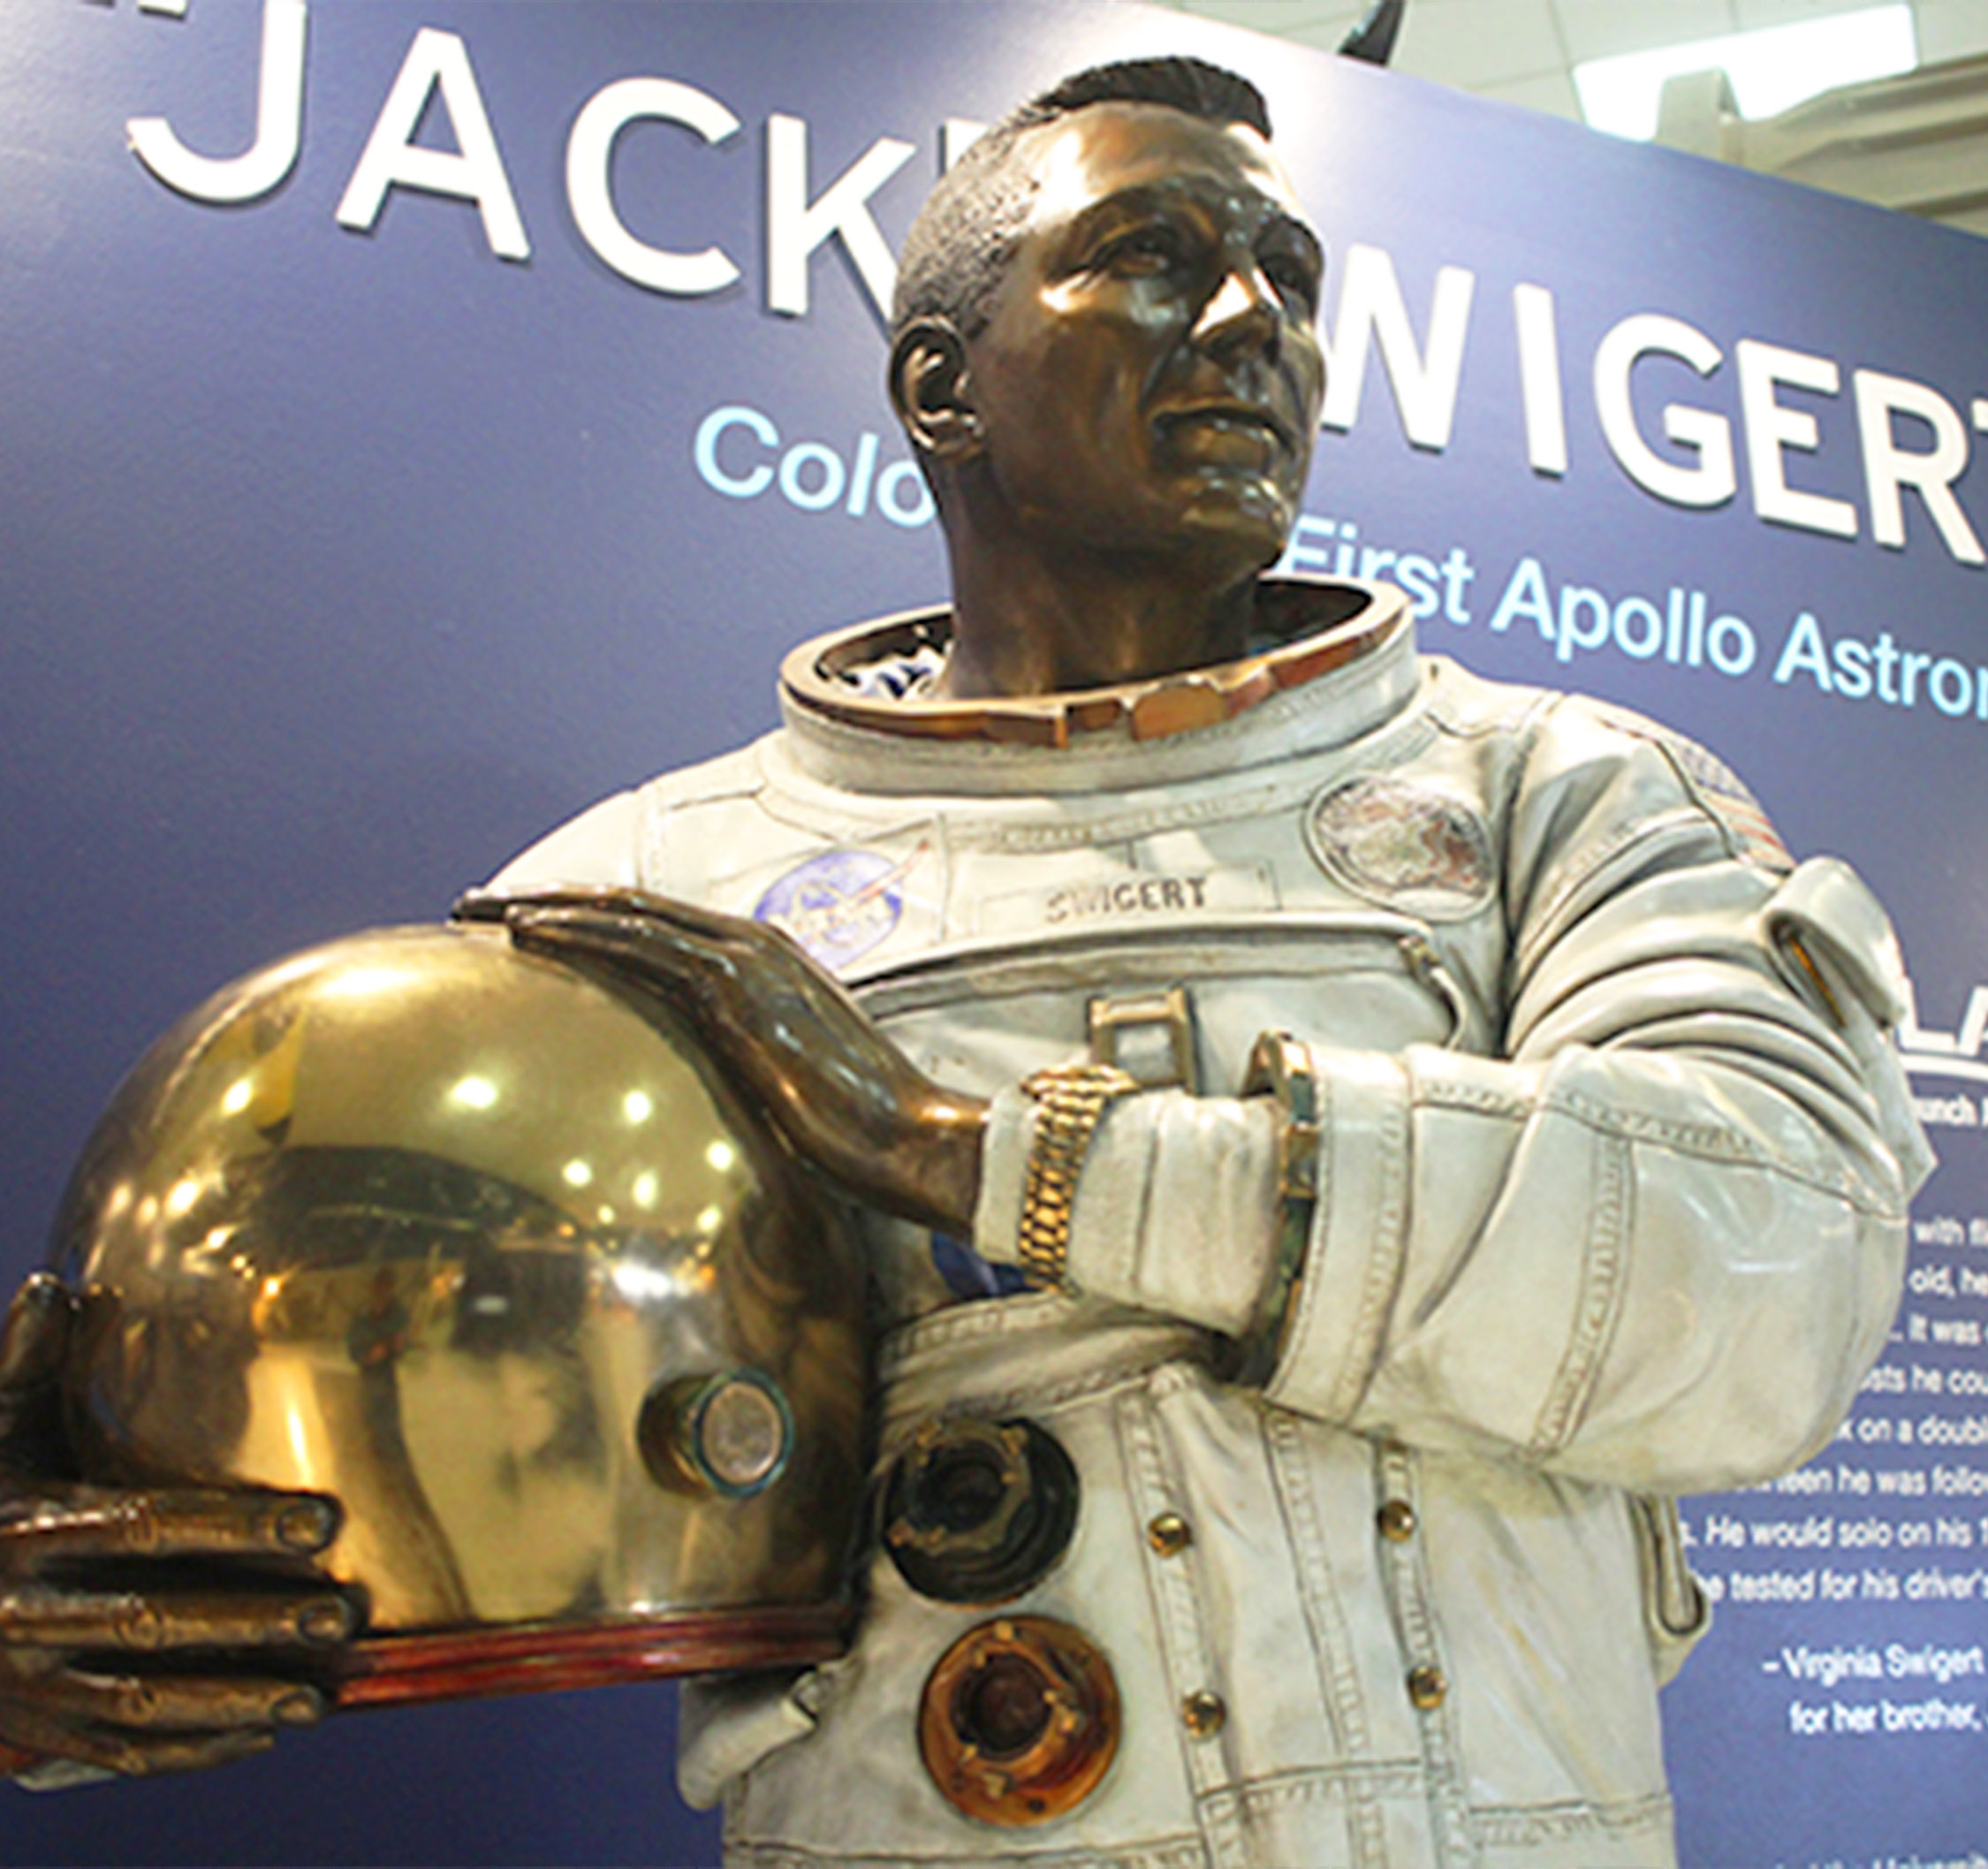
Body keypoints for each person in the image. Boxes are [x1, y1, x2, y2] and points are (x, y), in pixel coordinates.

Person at [0, 54, 1932, 1869]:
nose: (1255, 323)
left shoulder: (1555, 793)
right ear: (943, 385)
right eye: (1153, 261)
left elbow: (1763, 1274)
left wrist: (972, 1145)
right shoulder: (660, 893)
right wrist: (62, 1637)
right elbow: (338, 1465)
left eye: (1285, 275)